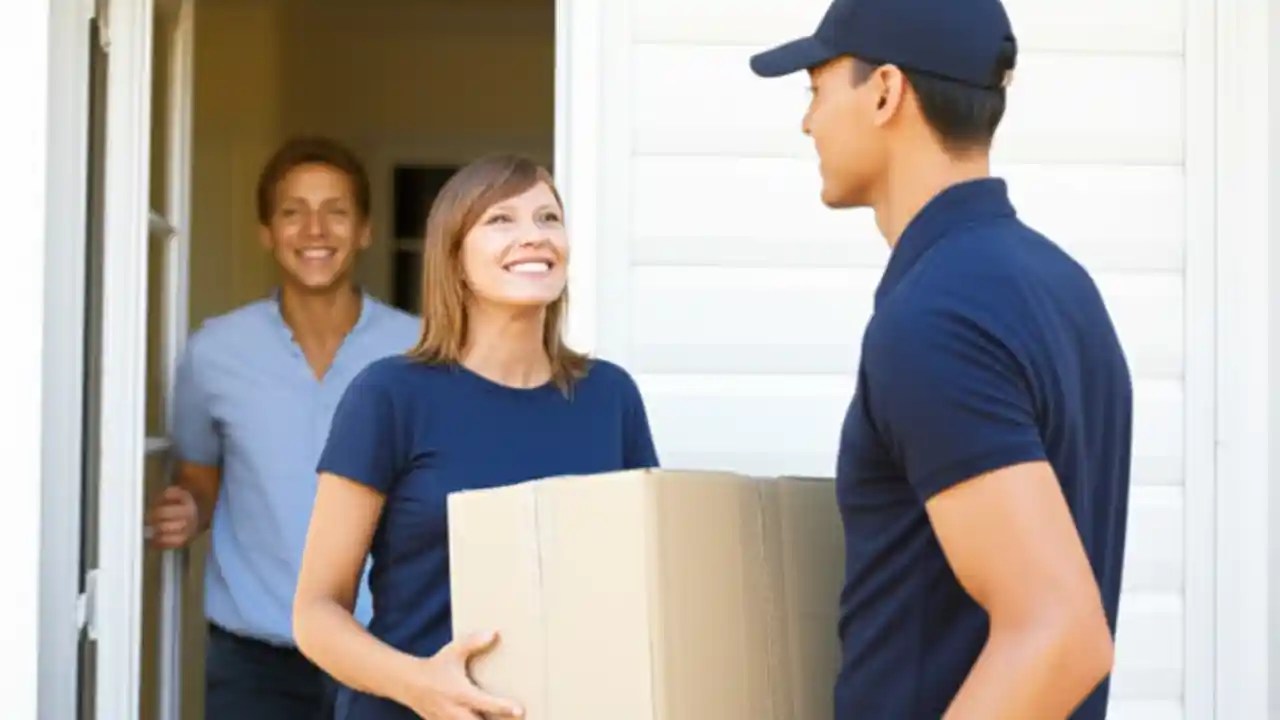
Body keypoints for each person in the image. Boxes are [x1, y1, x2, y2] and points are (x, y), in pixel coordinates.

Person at [748, 0, 1132, 717]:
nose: (807, 121)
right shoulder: (1060, 285)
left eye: (816, 89)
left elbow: (1061, 633)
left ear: (886, 91)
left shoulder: (936, 316)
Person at [292, 154, 660, 720]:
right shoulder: (390, 395)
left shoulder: (609, 398)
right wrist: (420, 686)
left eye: (547, 218)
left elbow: (639, 584)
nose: (533, 237)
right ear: (455, 259)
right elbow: (316, 613)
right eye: (501, 221)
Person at [145, 136, 419, 719]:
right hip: (255, 663)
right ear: (267, 232)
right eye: (293, 212)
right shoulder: (214, 352)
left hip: (390, 651)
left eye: (336, 211)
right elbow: (200, 476)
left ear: (365, 229)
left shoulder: (419, 352)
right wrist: (190, 508)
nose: (315, 230)